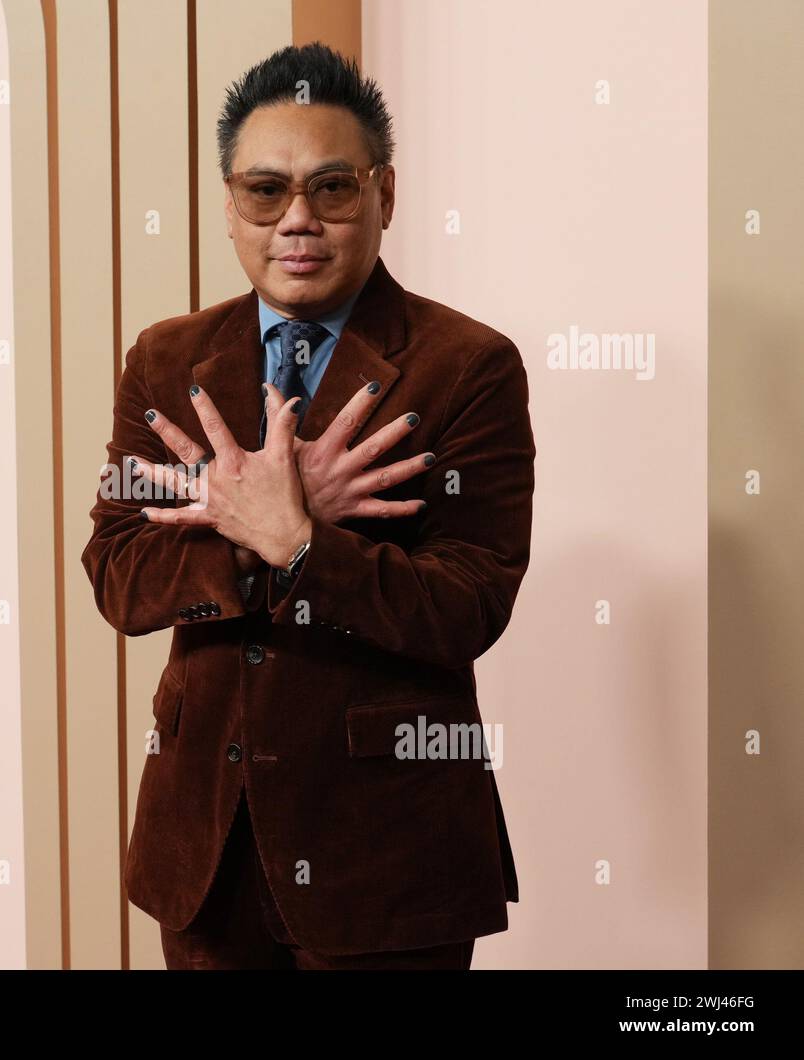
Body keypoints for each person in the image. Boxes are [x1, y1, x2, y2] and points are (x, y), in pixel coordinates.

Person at [80, 42, 534, 970]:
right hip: (205, 848)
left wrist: (295, 539)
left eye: (332, 189)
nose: (298, 221)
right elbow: (118, 575)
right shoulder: (165, 359)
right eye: (265, 191)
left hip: (388, 852)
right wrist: (249, 538)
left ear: (385, 196)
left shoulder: (468, 365)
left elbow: (469, 605)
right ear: (229, 205)